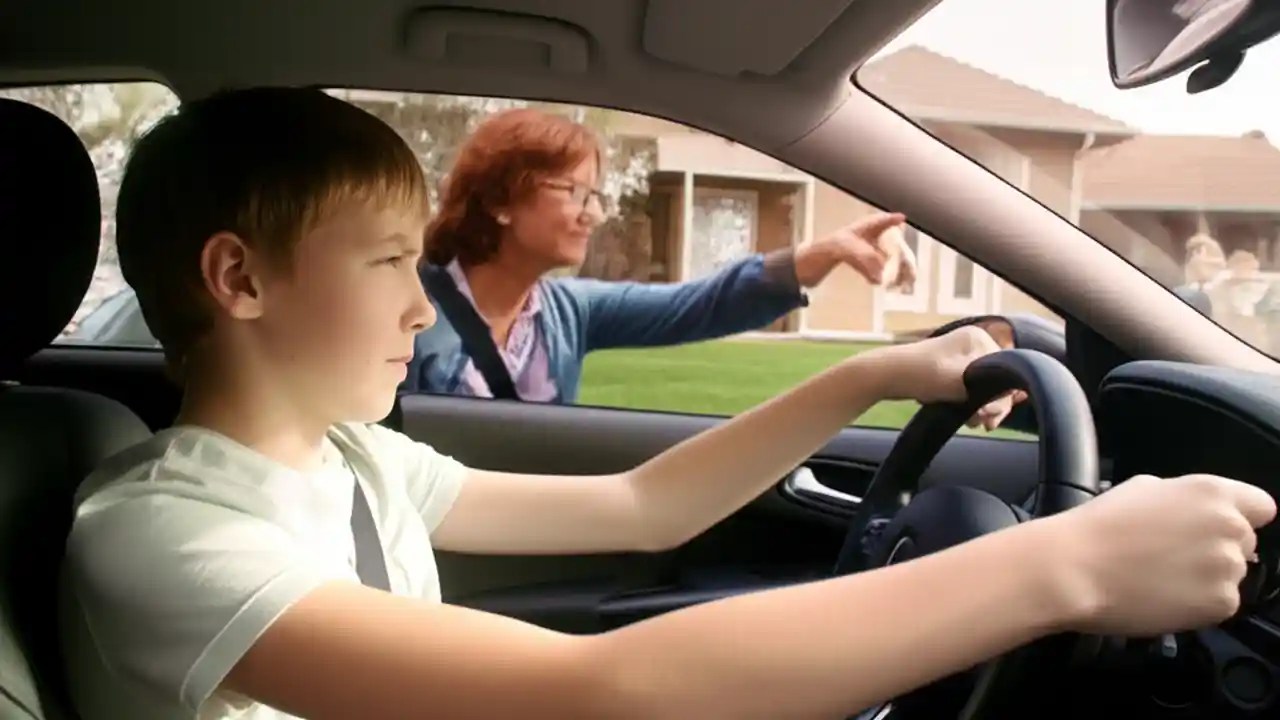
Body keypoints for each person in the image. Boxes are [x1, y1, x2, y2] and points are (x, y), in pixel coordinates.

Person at [59, 87, 1274, 720]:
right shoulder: (164, 540)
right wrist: (1060, 571)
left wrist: (864, 373)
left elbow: (643, 505)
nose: (419, 310)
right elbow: (595, 694)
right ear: (239, 278)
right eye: (386, 265)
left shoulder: (356, 465)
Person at [405, 106, 917, 402]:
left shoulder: (569, 312)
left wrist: (825, 251)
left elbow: (699, 305)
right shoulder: (406, 308)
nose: (594, 214)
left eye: (596, 195)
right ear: (499, 201)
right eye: (575, 193)